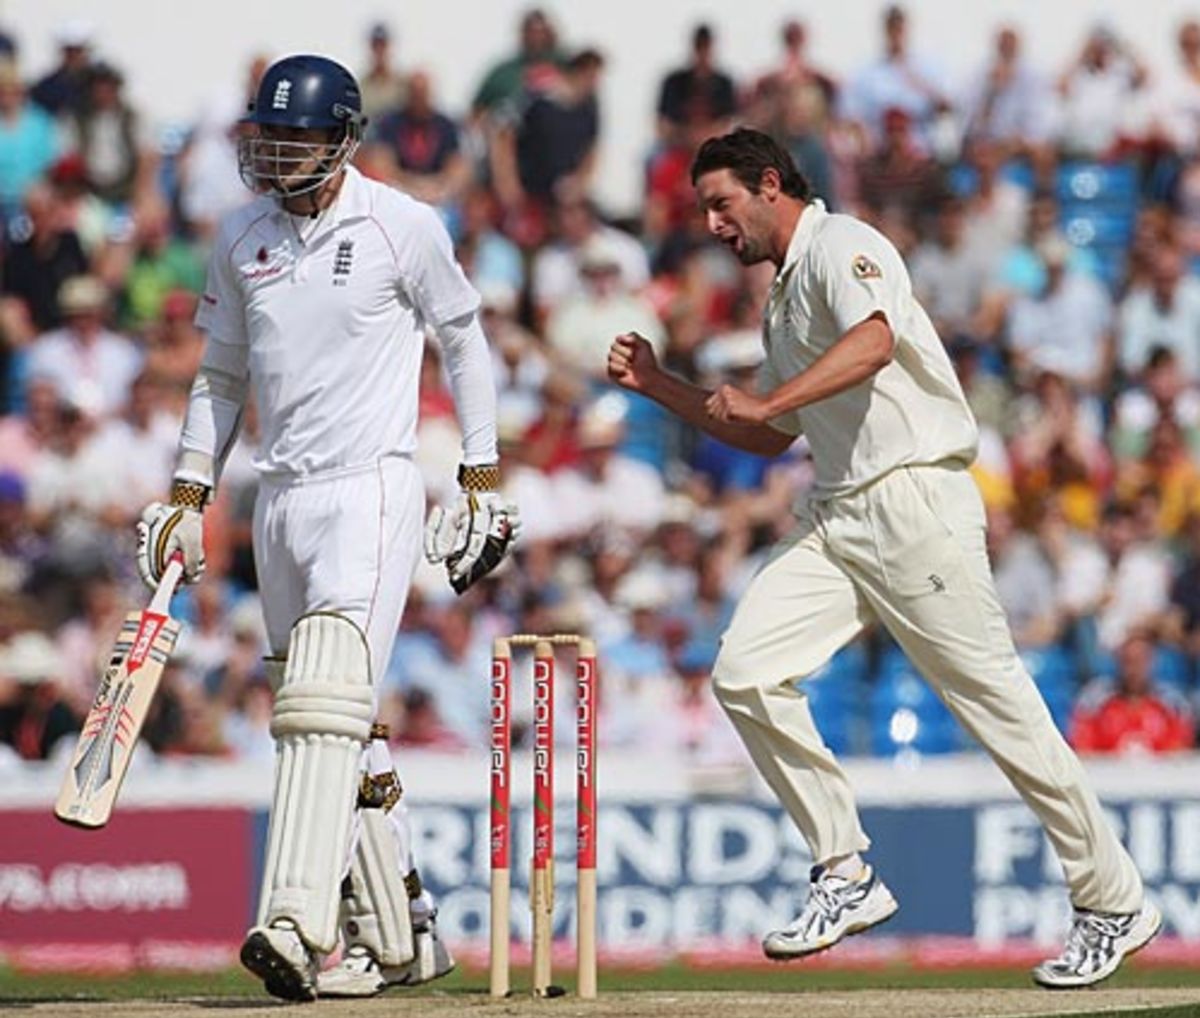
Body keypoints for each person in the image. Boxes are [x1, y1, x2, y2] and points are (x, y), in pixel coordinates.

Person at [606, 128, 1160, 989]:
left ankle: (1113, 899)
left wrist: (768, 394)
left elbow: (872, 343)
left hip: (914, 503)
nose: (712, 224)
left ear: (768, 185)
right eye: (703, 210)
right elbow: (764, 431)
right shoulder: (782, 298)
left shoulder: (844, 245)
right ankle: (845, 871)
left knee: (999, 709)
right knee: (745, 672)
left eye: (722, 204)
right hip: (838, 514)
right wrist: (658, 386)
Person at [133, 54, 518, 1002]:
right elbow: (220, 378)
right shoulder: (240, 235)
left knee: (324, 703)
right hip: (280, 500)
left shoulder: (402, 224)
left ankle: (299, 923)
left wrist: (478, 470)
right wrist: (188, 491)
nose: (277, 154)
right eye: (267, 138)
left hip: (372, 490)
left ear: (343, 138)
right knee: (331, 728)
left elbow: (463, 338)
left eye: (296, 138)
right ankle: (403, 936)